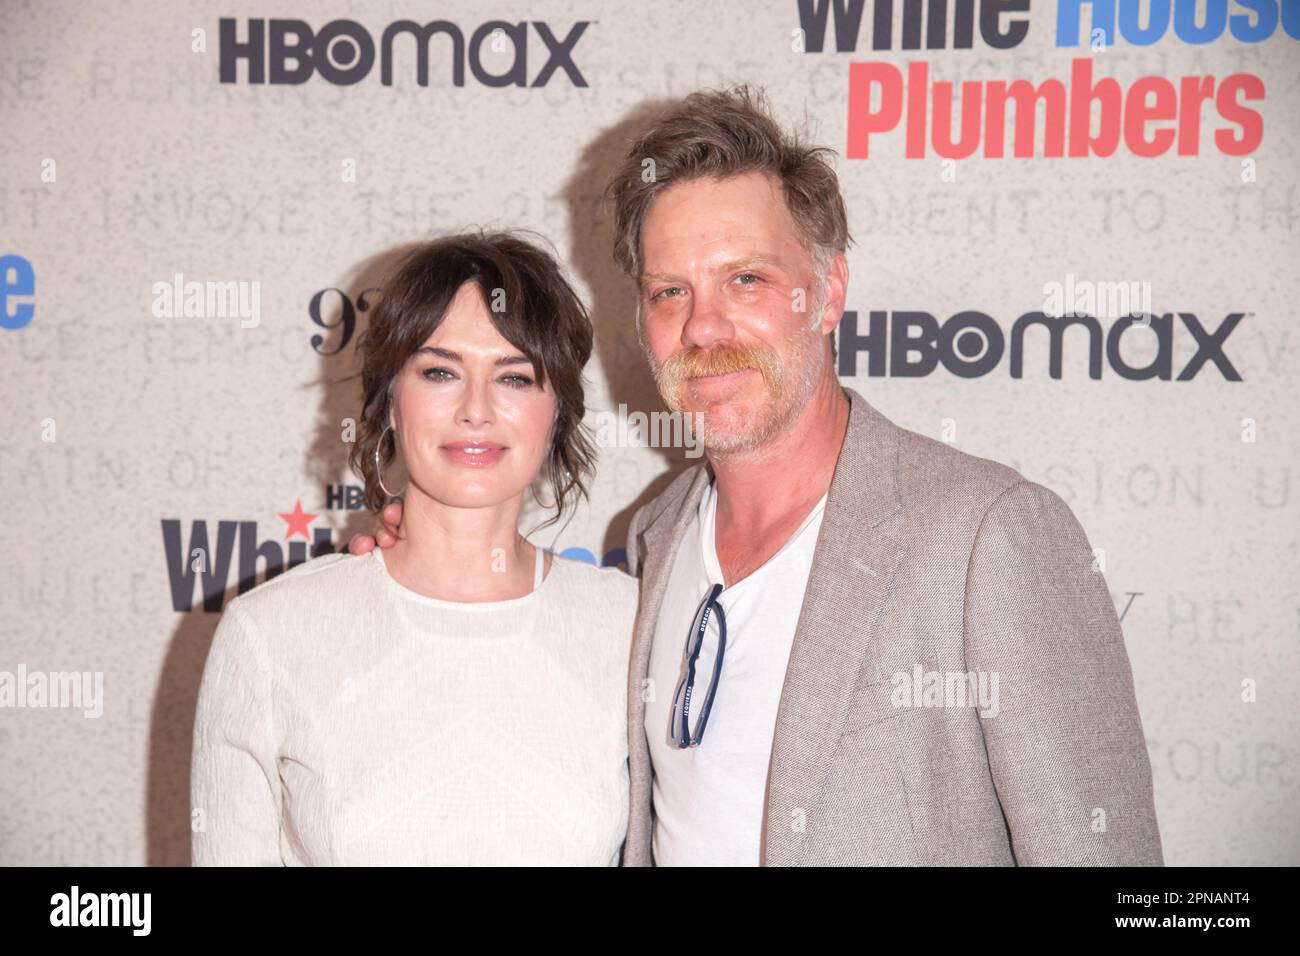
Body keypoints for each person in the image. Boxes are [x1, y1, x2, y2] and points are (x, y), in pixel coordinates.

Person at [356, 87, 1163, 866]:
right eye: (671, 291)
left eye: (746, 280)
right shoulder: (653, 538)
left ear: (829, 291)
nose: (704, 326)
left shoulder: (985, 534)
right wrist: (417, 575)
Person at [191, 232, 638, 866]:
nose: (475, 410)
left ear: (557, 412)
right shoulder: (270, 633)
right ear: (390, 402)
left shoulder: (632, 627)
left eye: (513, 377)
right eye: (440, 372)